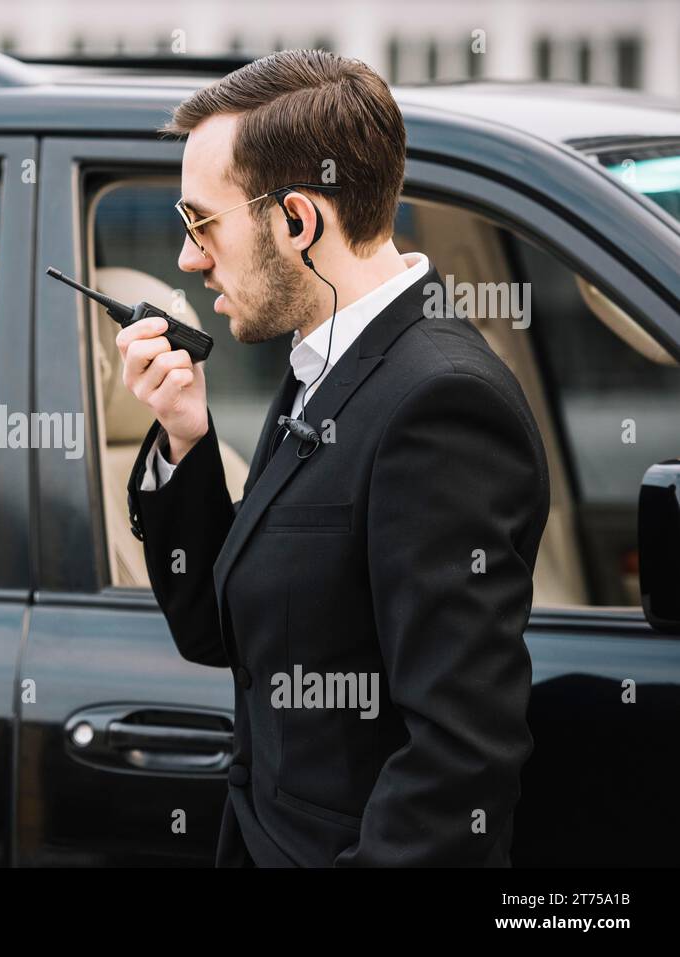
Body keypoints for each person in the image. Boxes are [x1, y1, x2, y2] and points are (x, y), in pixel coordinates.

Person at [120, 50, 550, 866]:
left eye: (201, 223)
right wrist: (185, 436)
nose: (188, 258)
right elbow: (226, 634)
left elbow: (459, 762)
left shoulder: (440, 405)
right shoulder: (322, 364)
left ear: (297, 221)